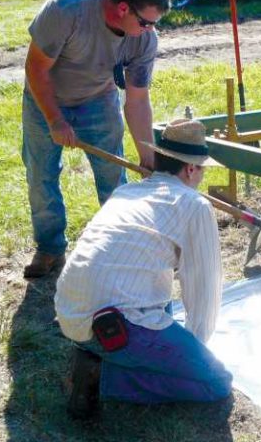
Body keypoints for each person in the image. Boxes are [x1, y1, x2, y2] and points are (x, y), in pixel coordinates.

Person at [54, 119, 233, 419]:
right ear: (191, 169)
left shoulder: (127, 192)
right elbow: (203, 286)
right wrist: (197, 350)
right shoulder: (194, 204)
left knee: (158, 313)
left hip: (71, 309)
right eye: (202, 169)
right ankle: (101, 377)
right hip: (113, 323)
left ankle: (100, 354)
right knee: (215, 382)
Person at [22, 0, 170, 278]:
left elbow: (138, 99)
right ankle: (50, 249)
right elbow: (36, 69)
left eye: (155, 25)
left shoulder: (144, 39)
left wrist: (147, 155)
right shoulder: (66, 10)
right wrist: (55, 120)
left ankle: (119, 245)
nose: (149, 31)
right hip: (46, 99)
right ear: (123, 8)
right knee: (41, 176)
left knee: (113, 178)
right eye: (145, 23)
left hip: (99, 101)